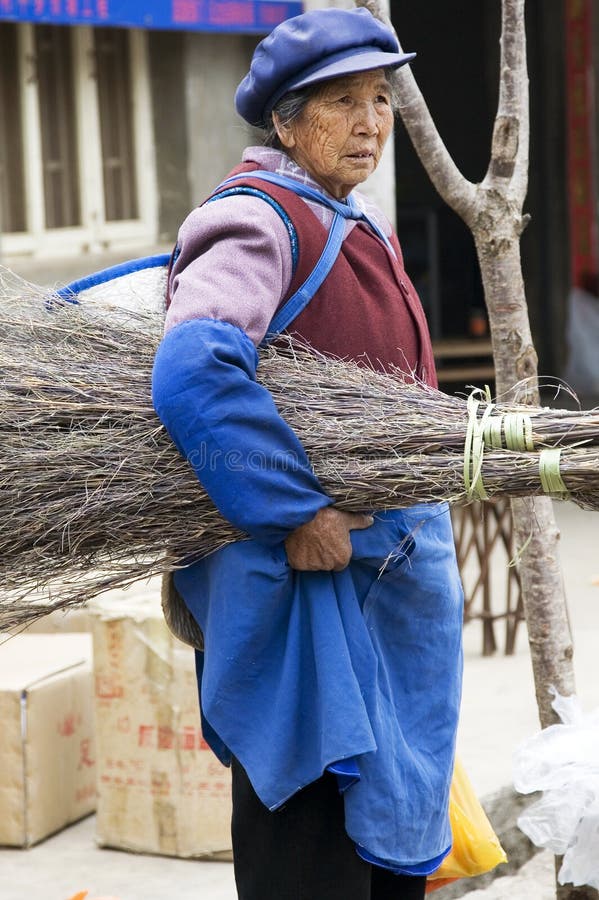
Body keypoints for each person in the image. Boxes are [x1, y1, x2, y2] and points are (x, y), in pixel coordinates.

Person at [152, 7, 464, 900]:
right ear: (285, 121)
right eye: (340, 101)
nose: (370, 122)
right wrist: (296, 510)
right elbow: (193, 370)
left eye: (378, 98)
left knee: (380, 841)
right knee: (311, 844)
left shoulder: (349, 216)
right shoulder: (261, 220)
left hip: (379, 591)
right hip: (305, 596)